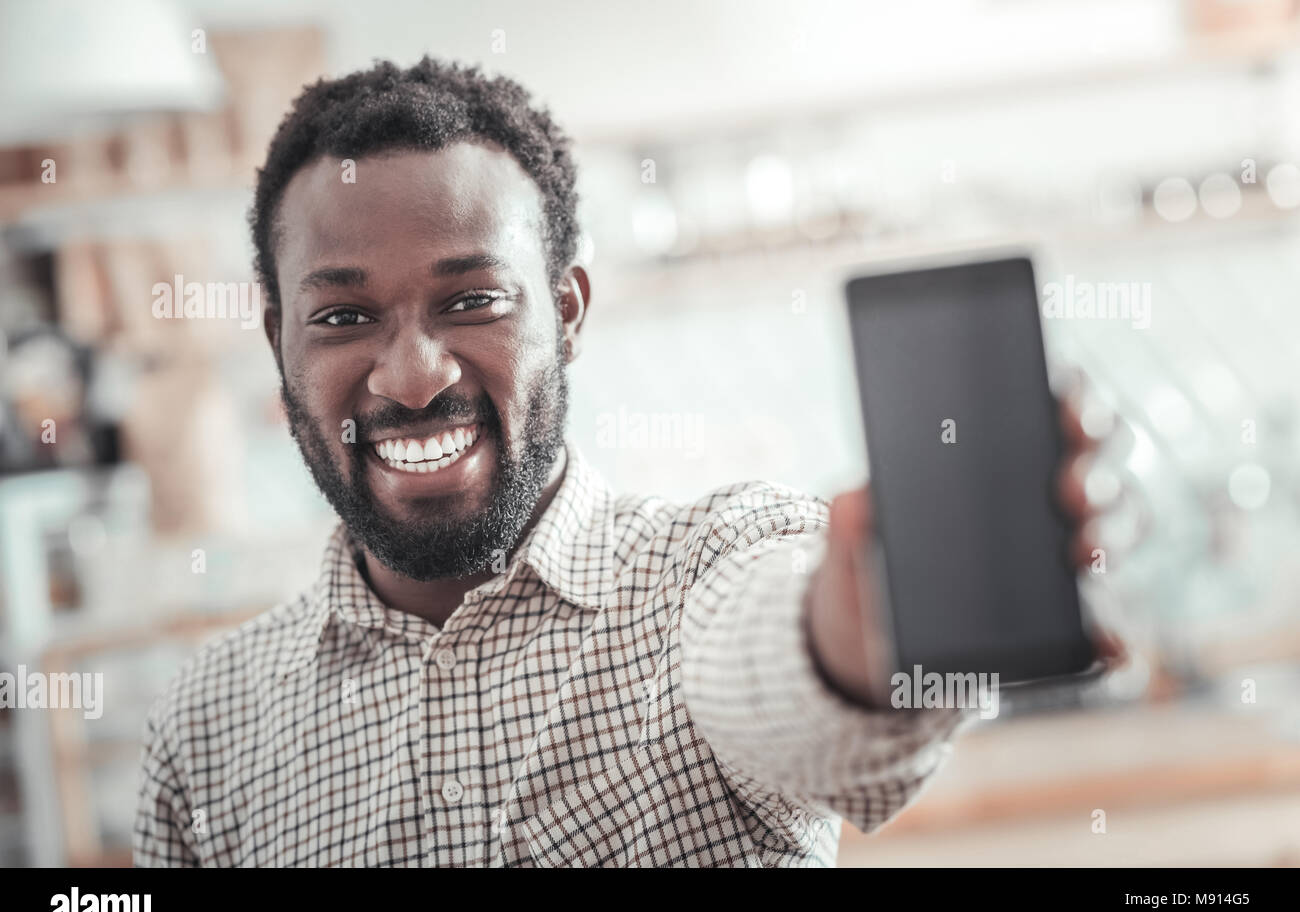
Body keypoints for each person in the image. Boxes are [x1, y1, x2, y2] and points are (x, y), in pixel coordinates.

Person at [133, 57, 1119, 867]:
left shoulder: (702, 573)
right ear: (278, 344)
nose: (413, 375)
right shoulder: (206, 721)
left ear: (566, 312)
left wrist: (856, 641)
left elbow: (775, 653)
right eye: (344, 317)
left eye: (472, 300)